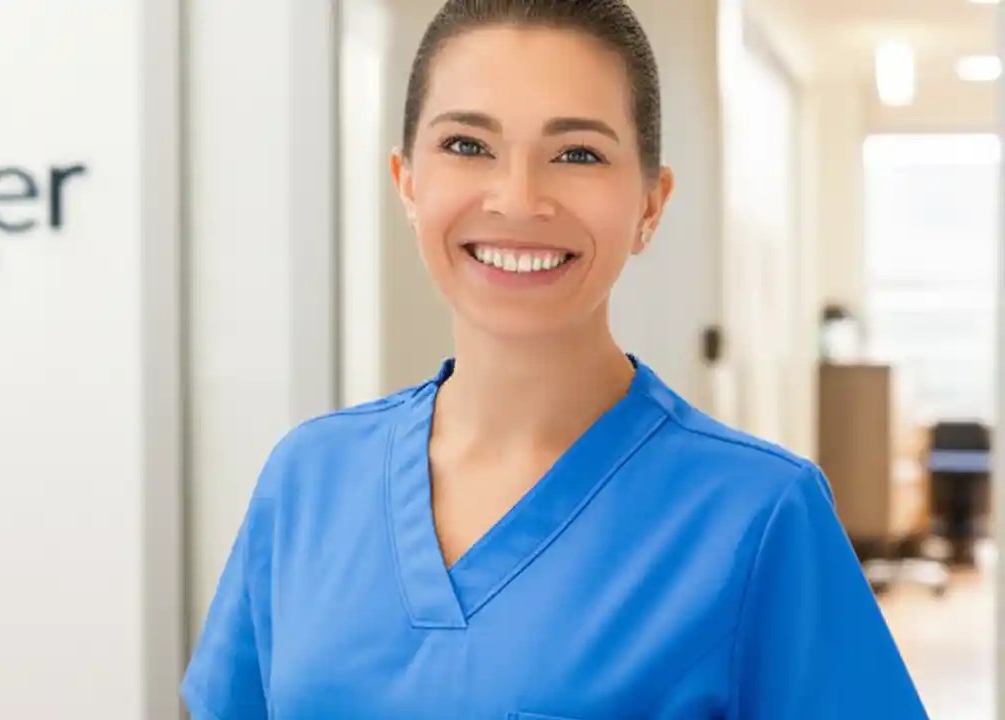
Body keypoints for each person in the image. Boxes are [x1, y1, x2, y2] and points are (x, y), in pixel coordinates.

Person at [181, 1, 928, 717]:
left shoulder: (759, 517)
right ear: (407, 183)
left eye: (577, 153)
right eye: (467, 145)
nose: (517, 198)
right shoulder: (309, 479)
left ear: (649, 205)